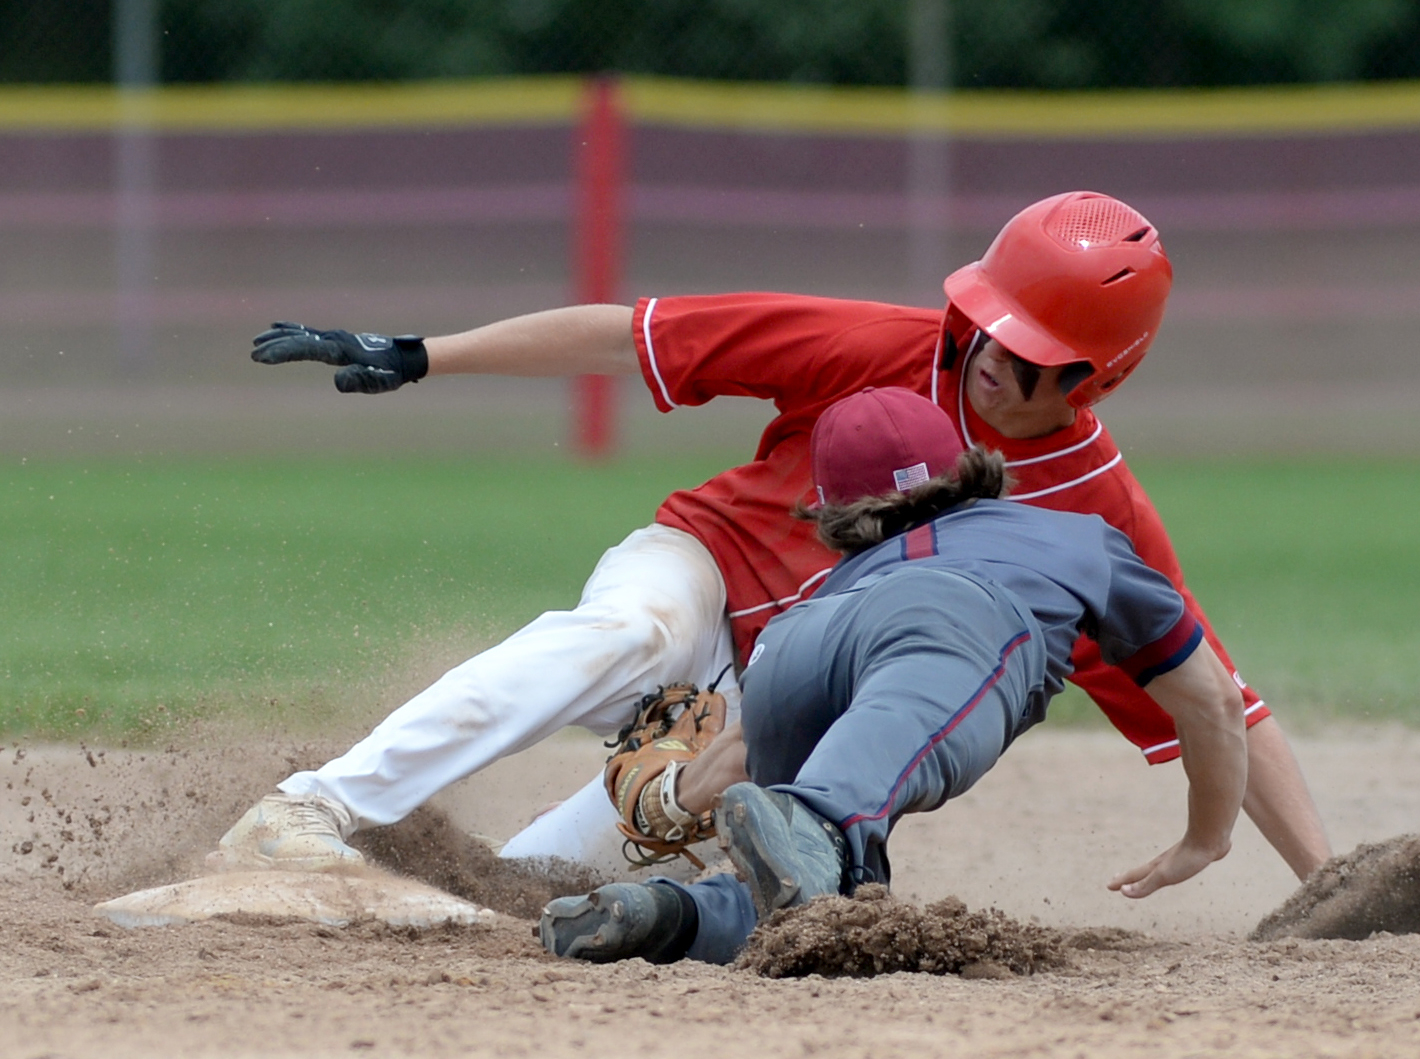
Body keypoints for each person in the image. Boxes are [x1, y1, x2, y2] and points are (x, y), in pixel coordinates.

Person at [213, 190, 1330, 882]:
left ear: (1102, 377)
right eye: (989, 319)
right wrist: (422, 352)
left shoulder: (1093, 506)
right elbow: (632, 339)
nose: (991, 354)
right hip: (705, 568)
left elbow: (1222, 703)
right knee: (623, 632)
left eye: (1031, 351)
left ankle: (430, 896)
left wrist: (1325, 881)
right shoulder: (880, 344)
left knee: (565, 877)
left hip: (788, 694)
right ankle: (316, 809)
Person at [538, 387, 1249, 965]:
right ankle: (815, 818)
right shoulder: (1069, 535)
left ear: (835, 508)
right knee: (816, 823)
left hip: (794, 646)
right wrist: (1207, 836)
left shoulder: (825, 588)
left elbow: (736, 759)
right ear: (966, 466)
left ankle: (673, 916)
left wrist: (667, 794)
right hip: (956, 615)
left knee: (826, 905)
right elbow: (1212, 699)